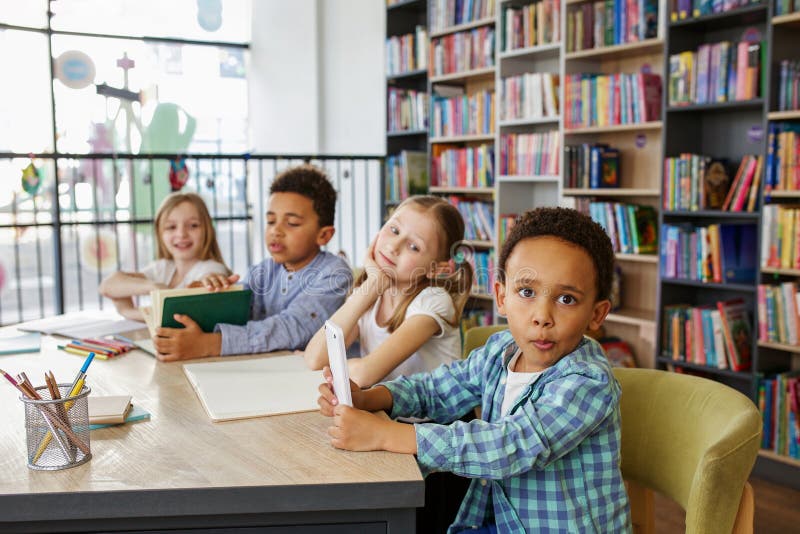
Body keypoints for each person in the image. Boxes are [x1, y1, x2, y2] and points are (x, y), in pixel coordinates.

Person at [318, 207, 631, 533]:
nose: (542, 316)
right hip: (496, 521)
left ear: (597, 314)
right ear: (501, 296)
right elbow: (437, 389)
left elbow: (510, 445)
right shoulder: (500, 350)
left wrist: (386, 434)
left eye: (566, 299)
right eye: (526, 292)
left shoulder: (588, 381)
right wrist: (370, 398)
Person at [153, 164, 353, 361]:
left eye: (292, 223)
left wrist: (210, 344)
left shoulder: (334, 273)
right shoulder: (264, 270)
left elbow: (292, 328)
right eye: (271, 221)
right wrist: (209, 296)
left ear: (324, 235)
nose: (275, 231)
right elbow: (237, 312)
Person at [304, 196, 473, 388]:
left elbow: (364, 374)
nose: (393, 246)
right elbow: (315, 359)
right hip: (385, 405)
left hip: (430, 409)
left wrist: (335, 367)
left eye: (414, 247)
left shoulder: (434, 301)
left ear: (435, 269)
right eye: (394, 230)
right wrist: (373, 285)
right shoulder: (370, 293)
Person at [99, 192, 229, 322]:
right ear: (160, 233)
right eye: (171, 227)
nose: (181, 234)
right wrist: (154, 287)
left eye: (193, 225)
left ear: (208, 230)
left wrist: (127, 311)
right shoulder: (163, 268)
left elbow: (178, 316)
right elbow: (107, 286)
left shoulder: (212, 269)